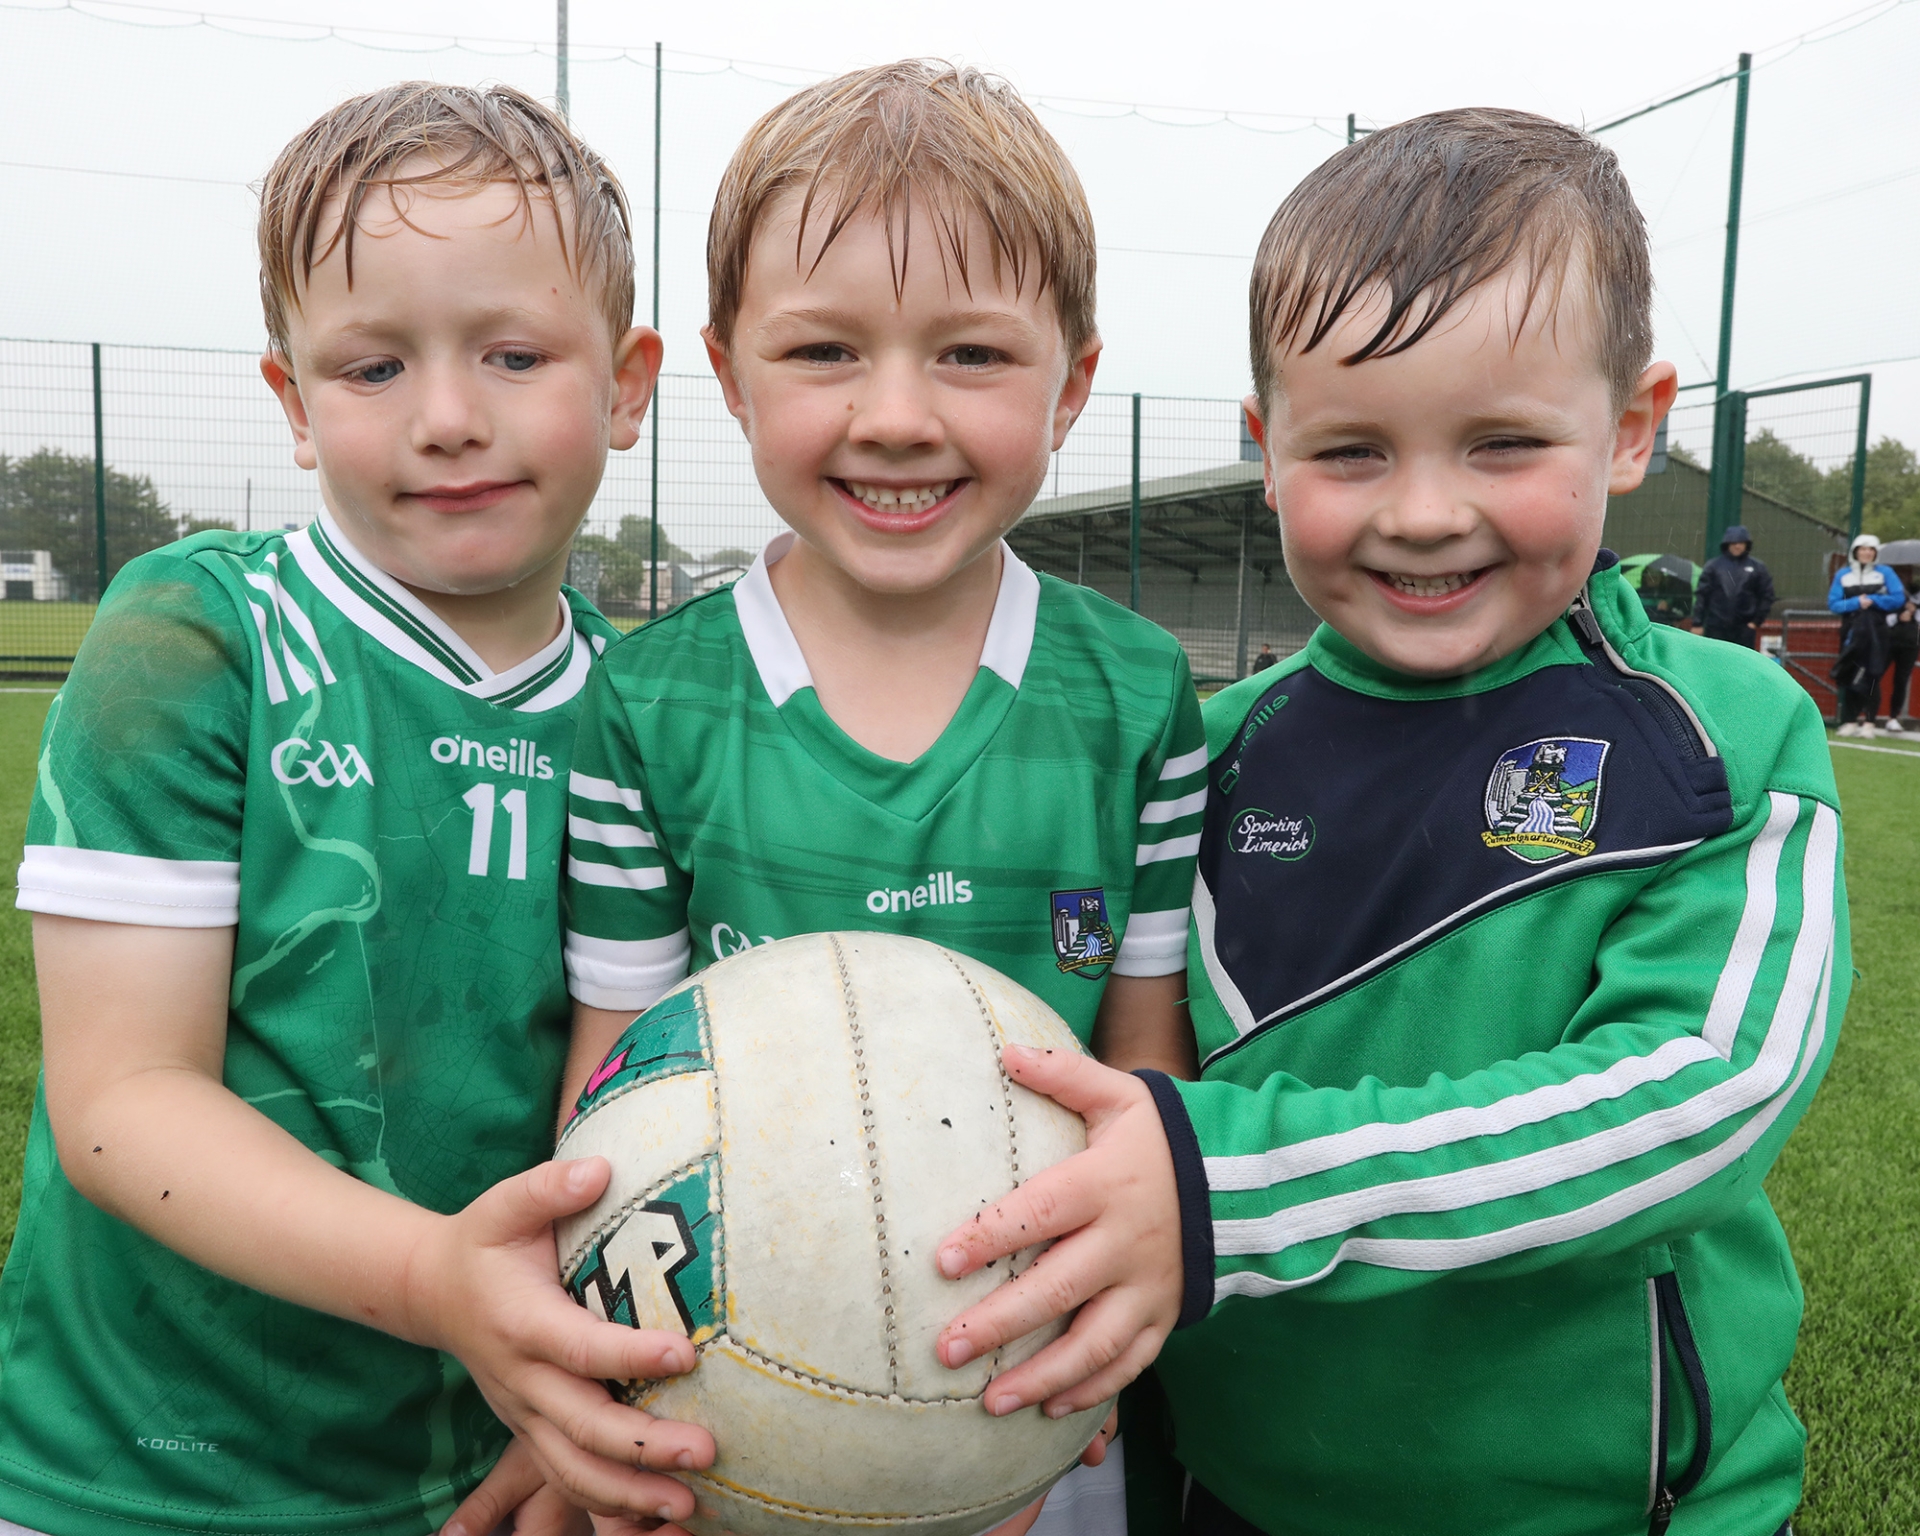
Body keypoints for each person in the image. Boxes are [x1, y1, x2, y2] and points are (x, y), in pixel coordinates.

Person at [929, 108, 1846, 1536]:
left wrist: (1240, 1188)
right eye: (1351, 451)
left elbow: (1696, 1100)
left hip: (1614, 1514)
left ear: (1631, 430)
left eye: (1500, 443)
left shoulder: (1721, 734)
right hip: (1228, 1496)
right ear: (1266, 445)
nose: (1423, 513)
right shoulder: (1205, 751)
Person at [0, 83, 713, 1535]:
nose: (449, 419)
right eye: (373, 367)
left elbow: (621, 1117)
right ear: (294, 403)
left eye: (514, 354)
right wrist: (443, 1283)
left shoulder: (642, 720)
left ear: (628, 384)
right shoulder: (196, 638)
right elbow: (123, 1099)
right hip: (131, 1483)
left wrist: (573, 1396)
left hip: (490, 1472)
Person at [558, 62, 1205, 1536]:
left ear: (1074, 383)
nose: (898, 417)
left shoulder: (1136, 694)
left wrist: (1096, 1340)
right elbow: (612, 1085)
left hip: (1040, 1381)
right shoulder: (649, 706)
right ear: (729, 377)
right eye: (826, 352)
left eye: (973, 355)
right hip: (728, 1400)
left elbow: (1145, 1056)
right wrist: (609, 1379)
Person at [1828, 532, 1907, 738]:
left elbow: (1898, 598)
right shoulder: (1843, 575)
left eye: (1870, 550)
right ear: (1856, 552)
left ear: (1875, 553)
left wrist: (1873, 600)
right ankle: (1850, 721)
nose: (1866, 553)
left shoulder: (1885, 573)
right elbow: (1834, 603)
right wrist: (1856, 603)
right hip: (1851, 632)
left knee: (1873, 674)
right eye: (1862, 549)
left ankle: (1869, 723)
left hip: (1876, 633)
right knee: (1848, 673)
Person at [1690, 522, 1774, 647]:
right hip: (1716, 627)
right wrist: (1697, 623)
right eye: (1733, 543)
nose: (1737, 546)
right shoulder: (1713, 566)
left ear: (1747, 544)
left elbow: (1767, 595)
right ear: (1727, 544)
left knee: (1742, 663)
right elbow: (1702, 595)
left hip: (1744, 629)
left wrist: (1756, 622)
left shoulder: (1758, 568)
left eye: (1741, 543)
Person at [1883, 585, 1917, 731]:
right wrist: (1899, 616)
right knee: (1874, 675)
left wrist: (1913, 613)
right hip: (1888, 643)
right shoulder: (1891, 593)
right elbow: (1885, 619)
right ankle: (1864, 717)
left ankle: (1893, 717)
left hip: (1910, 646)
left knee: (1901, 681)